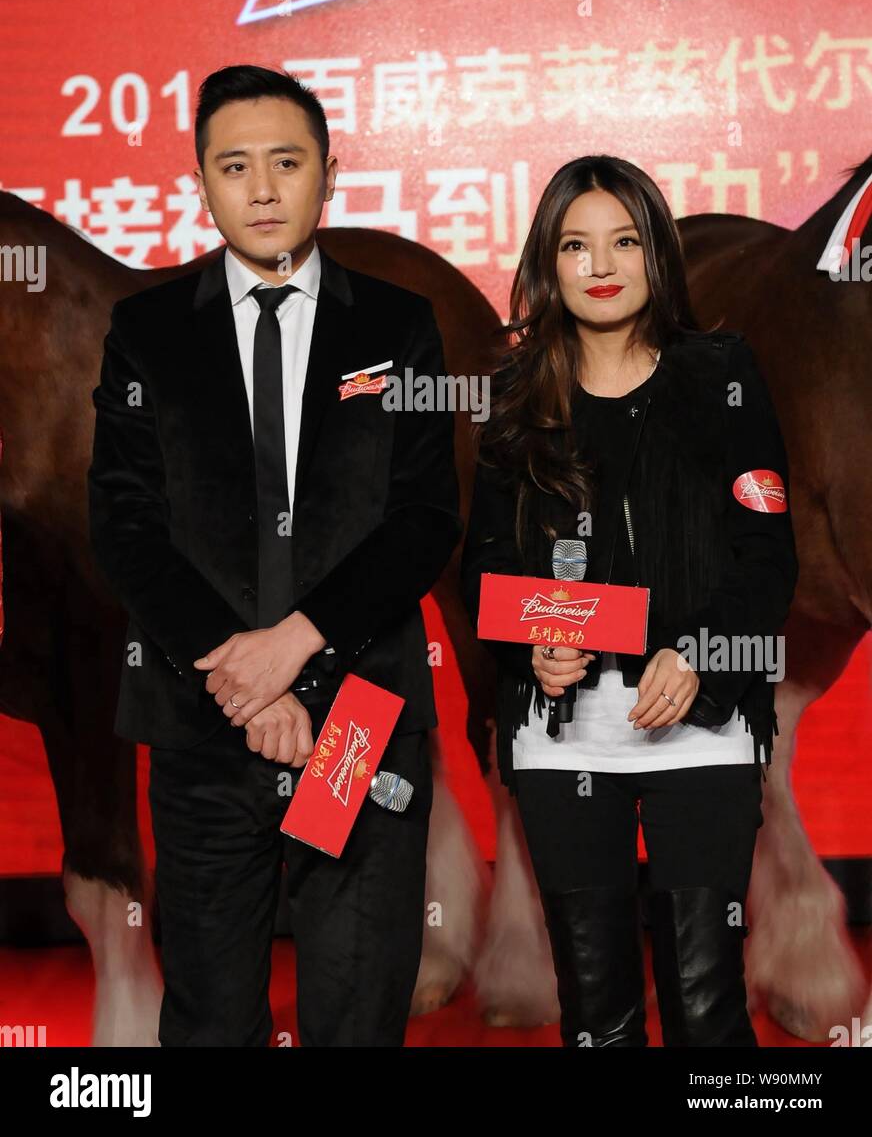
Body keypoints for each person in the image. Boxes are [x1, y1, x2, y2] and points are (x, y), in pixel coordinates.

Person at [88, 64, 462, 1046]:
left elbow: (424, 518)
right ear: (200, 183)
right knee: (211, 1019)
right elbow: (124, 527)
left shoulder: (395, 325)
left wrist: (297, 647)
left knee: (355, 1014)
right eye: (234, 165)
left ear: (327, 176)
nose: (261, 188)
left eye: (285, 163)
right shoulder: (146, 333)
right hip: (201, 724)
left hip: (360, 721)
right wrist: (241, 677)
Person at [461, 155, 798, 1048]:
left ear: (657, 255)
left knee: (706, 1006)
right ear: (548, 261)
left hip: (702, 728)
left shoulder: (721, 374)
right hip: (562, 736)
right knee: (597, 1015)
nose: (600, 263)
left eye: (624, 240)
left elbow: (767, 554)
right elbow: (485, 569)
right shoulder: (514, 395)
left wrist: (699, 656)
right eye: (575, 244)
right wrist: (532, 645)